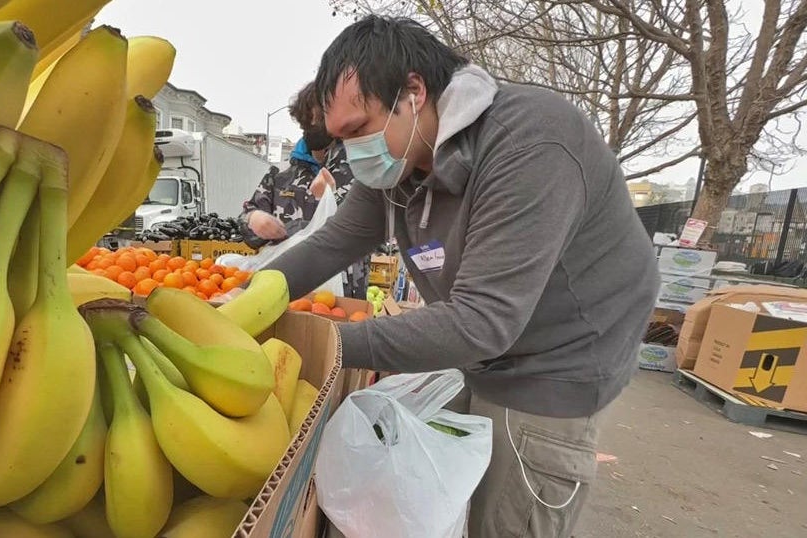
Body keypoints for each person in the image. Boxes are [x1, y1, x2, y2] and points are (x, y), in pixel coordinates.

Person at [260, 15, 660, 538]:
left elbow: (481, 321)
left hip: (557, 364)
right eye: (341, 139)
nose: (353, 152)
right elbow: (333, 243)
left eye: (358, 130)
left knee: (506, 516)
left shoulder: (530, 144)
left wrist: (316, 338)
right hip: (485, 355)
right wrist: (249, 299)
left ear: (414, 92)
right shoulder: (399, 161)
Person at [240, 82, 368, 299]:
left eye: (321, 118)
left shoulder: (359, 168)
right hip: (286, 293)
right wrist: (253, 219)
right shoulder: (280, 175)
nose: (315, 124)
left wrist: (333, 197)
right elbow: (246, 224)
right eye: (308, 120)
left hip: (344, 295)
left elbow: (368, 227)